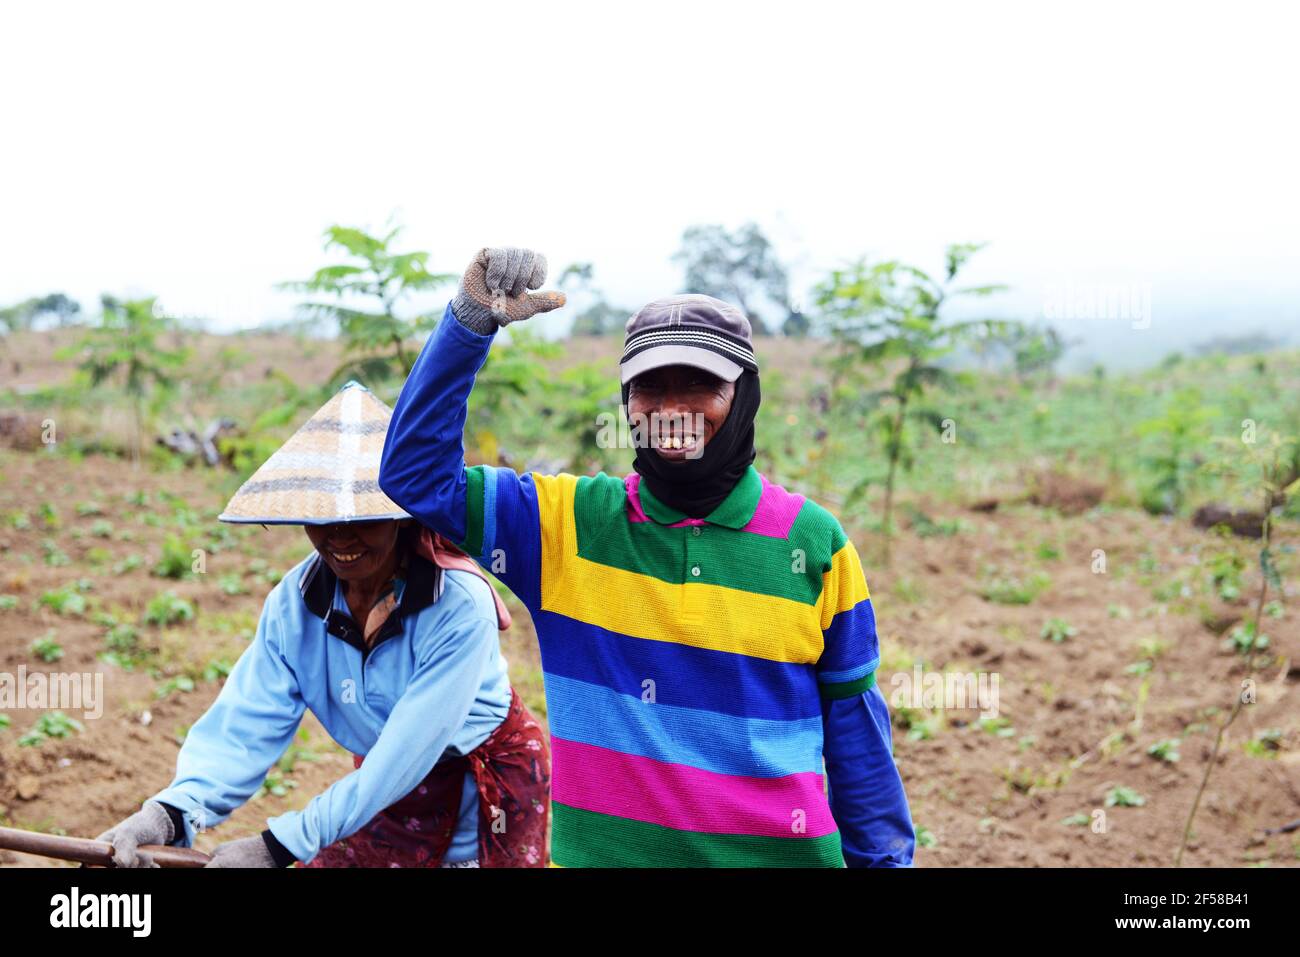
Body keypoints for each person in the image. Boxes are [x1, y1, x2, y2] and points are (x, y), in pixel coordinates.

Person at [377, 247, 915, 866]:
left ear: (743, 398)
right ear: (626, 402)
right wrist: (470, 324)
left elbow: (857, 742)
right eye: (649, 388)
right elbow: (415, 477)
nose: (671, 410)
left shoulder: (813, 543)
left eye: (701, 385)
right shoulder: (562, 526)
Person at [96, 380, 549, 868]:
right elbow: (247, 722)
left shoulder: (458, 607)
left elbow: (405, 753)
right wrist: (170, 812)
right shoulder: (294, 606)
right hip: (382, 787)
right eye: (324, 518)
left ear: (402, 516)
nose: (341, 537)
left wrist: (276, 846)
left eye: (365, 517)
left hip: (483, 783)